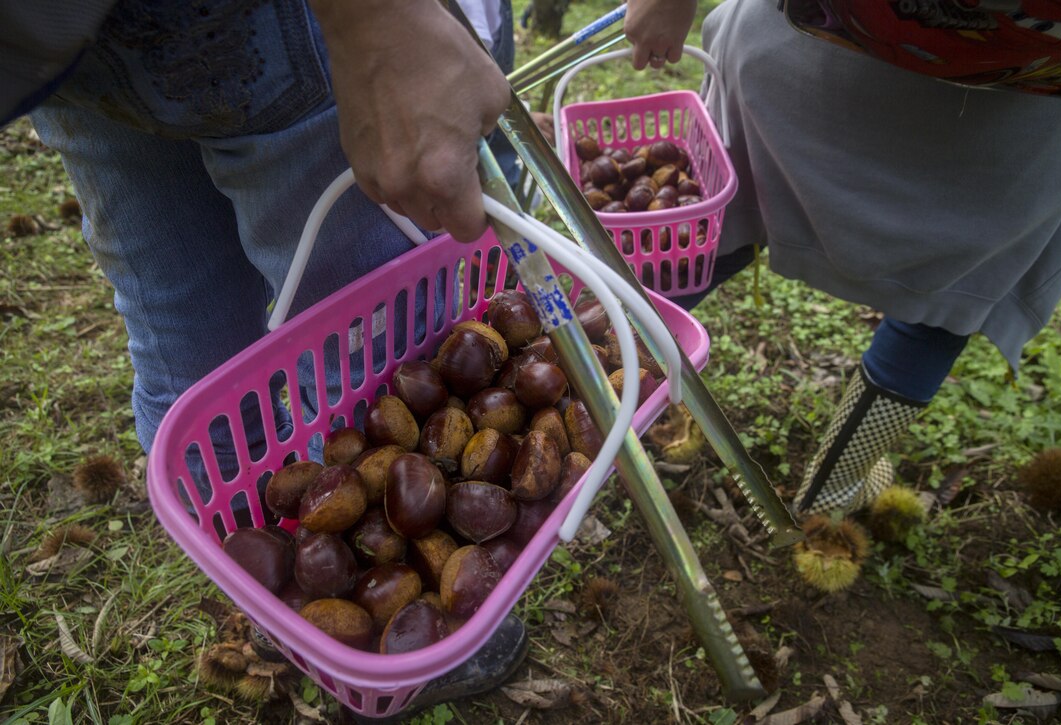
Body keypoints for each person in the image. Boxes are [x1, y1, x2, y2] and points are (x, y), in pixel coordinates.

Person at [0, 0, 685, 719]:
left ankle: (261, 589)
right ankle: (331, 631)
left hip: (72, 49)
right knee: (370, 328)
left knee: (175, 313)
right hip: (245, 33)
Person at [687, 0, 1061, 515]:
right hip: (1026, 128)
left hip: (799, 60)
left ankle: (600, 381)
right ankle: (829, 497)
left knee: (719, 222)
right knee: (955, 289)